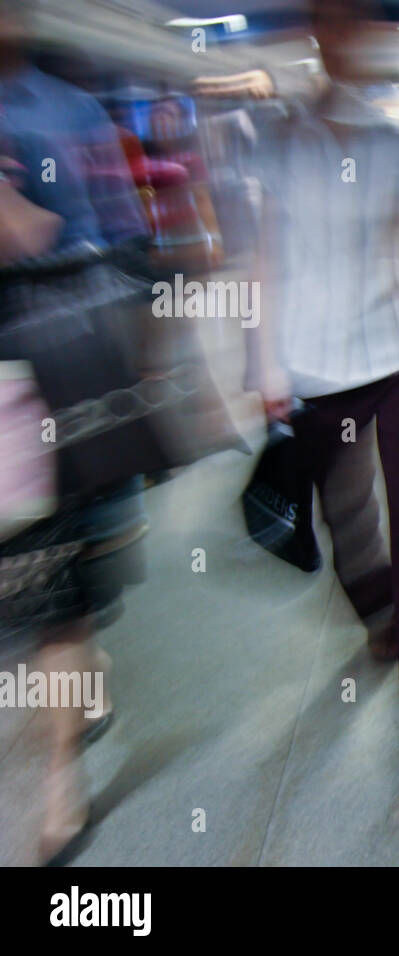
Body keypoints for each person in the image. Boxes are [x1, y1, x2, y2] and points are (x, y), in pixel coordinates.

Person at [246, 0, 399, 821]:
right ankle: (375, 610)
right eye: (329, 19)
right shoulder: (278, 139)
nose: (343, 35)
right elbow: (267, 258)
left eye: (357, 18)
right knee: (345, 519)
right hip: (314, 367)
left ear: (377, 30)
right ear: (315, 32)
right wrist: (264, 361)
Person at [0, 0, 152, 863]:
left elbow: (107, 238)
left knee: (47, 576)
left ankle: (57, 774)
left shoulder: (69, 111)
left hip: (37, 371)